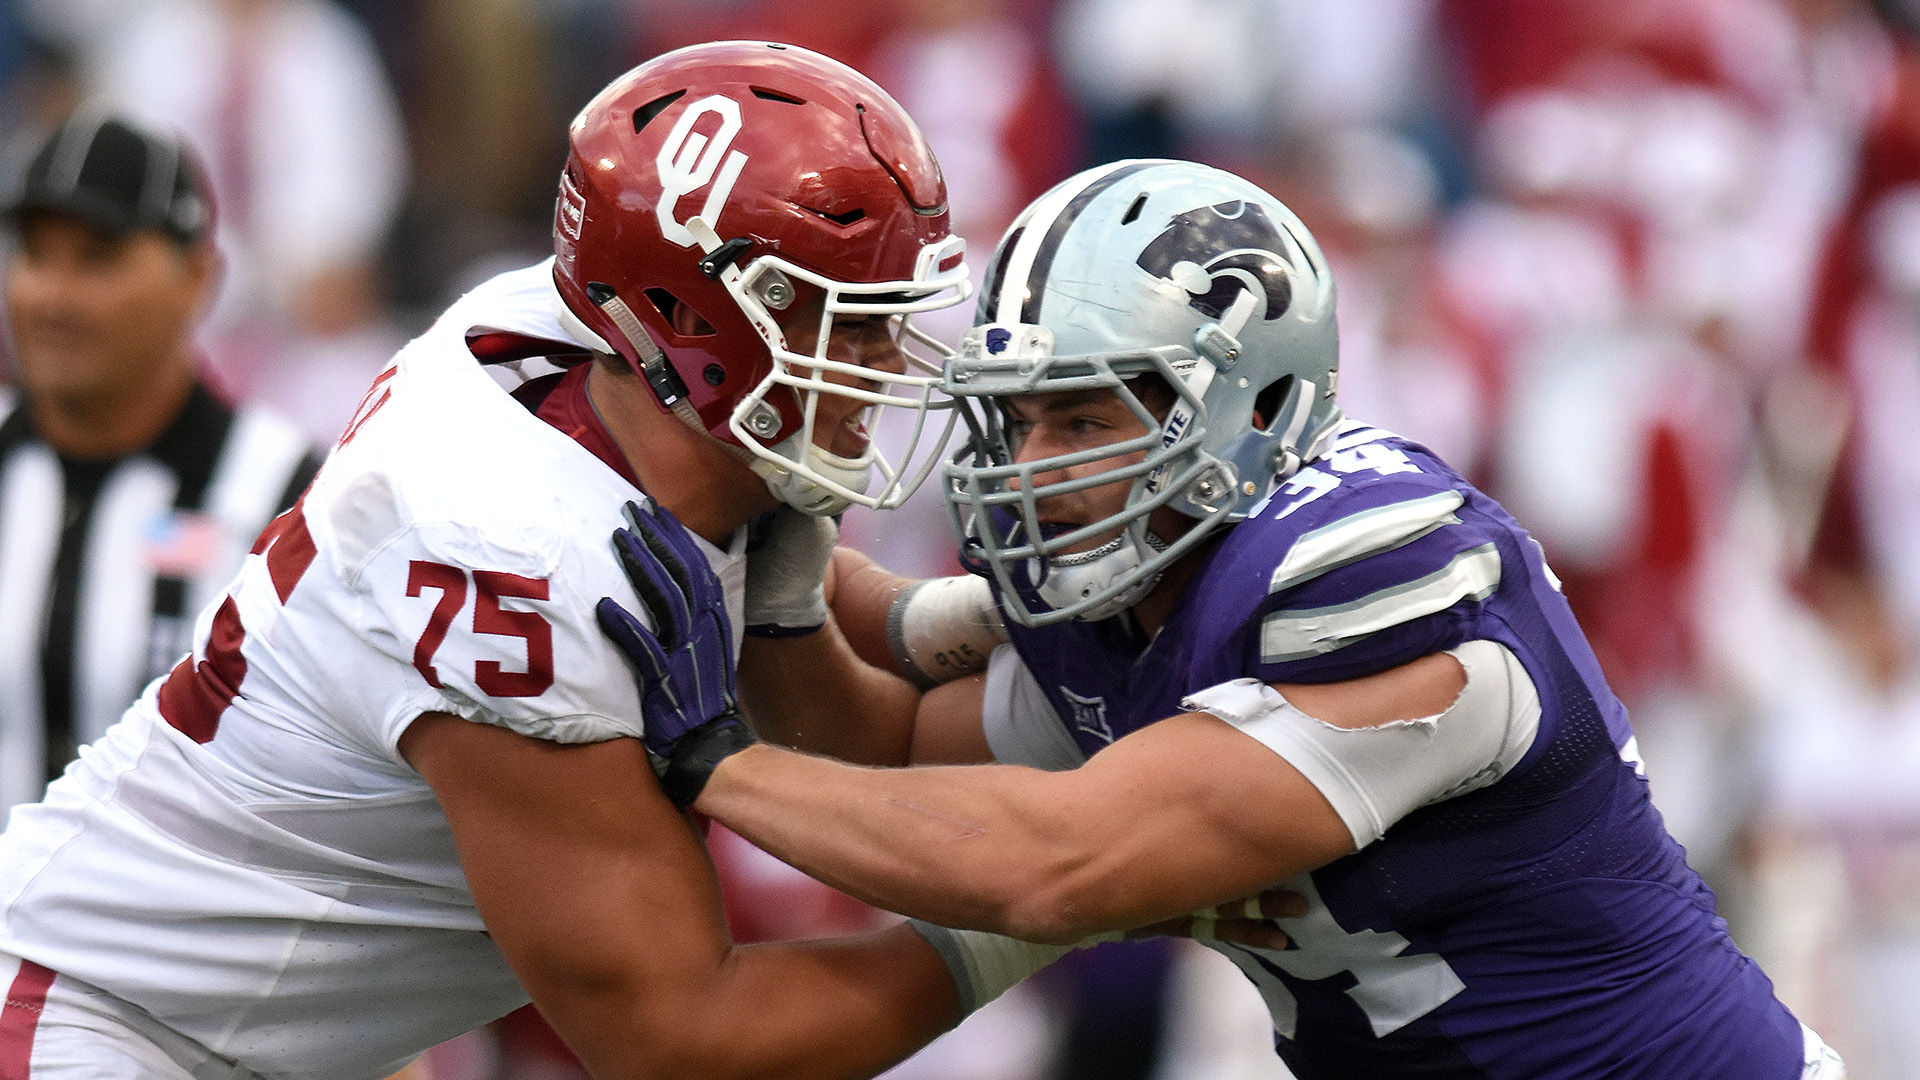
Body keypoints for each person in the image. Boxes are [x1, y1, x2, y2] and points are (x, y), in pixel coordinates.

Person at [0, 43, 1242, 1080]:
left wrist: (1027, 625)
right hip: (102, 1022)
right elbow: (680, 1039)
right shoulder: (510, 560)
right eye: (839, 317)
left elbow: (826, 671)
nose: (881, 363)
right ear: (685, 318)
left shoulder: (599, 364)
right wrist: (1039, 924)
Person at [601, 159, 1850, 1079]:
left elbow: (1048, 865)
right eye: (1016, 419)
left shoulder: (1376, 576)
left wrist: (710, 760)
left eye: (1081, 418)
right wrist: (774, 579)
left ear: (1251, 410)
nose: (1031, 467)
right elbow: (885, 745)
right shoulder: (1144, 589)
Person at [0, 109, 322, 814]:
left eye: (96, 257)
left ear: (199, 275)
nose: (52, 294)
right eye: (34, 254)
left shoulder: (289, 495)